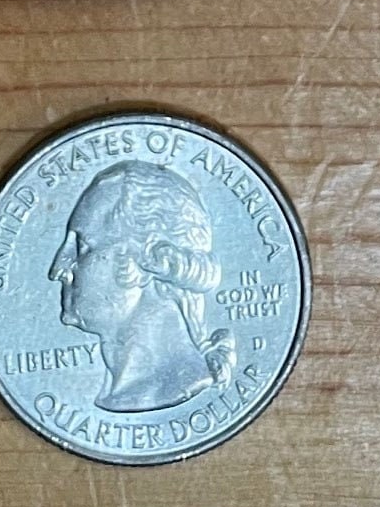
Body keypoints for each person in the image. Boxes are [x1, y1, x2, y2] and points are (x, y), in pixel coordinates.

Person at [49, 160, 239, 413]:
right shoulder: (124, 391)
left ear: (143, 262)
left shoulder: (164, 388)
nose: (59, 269)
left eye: (83, 246)